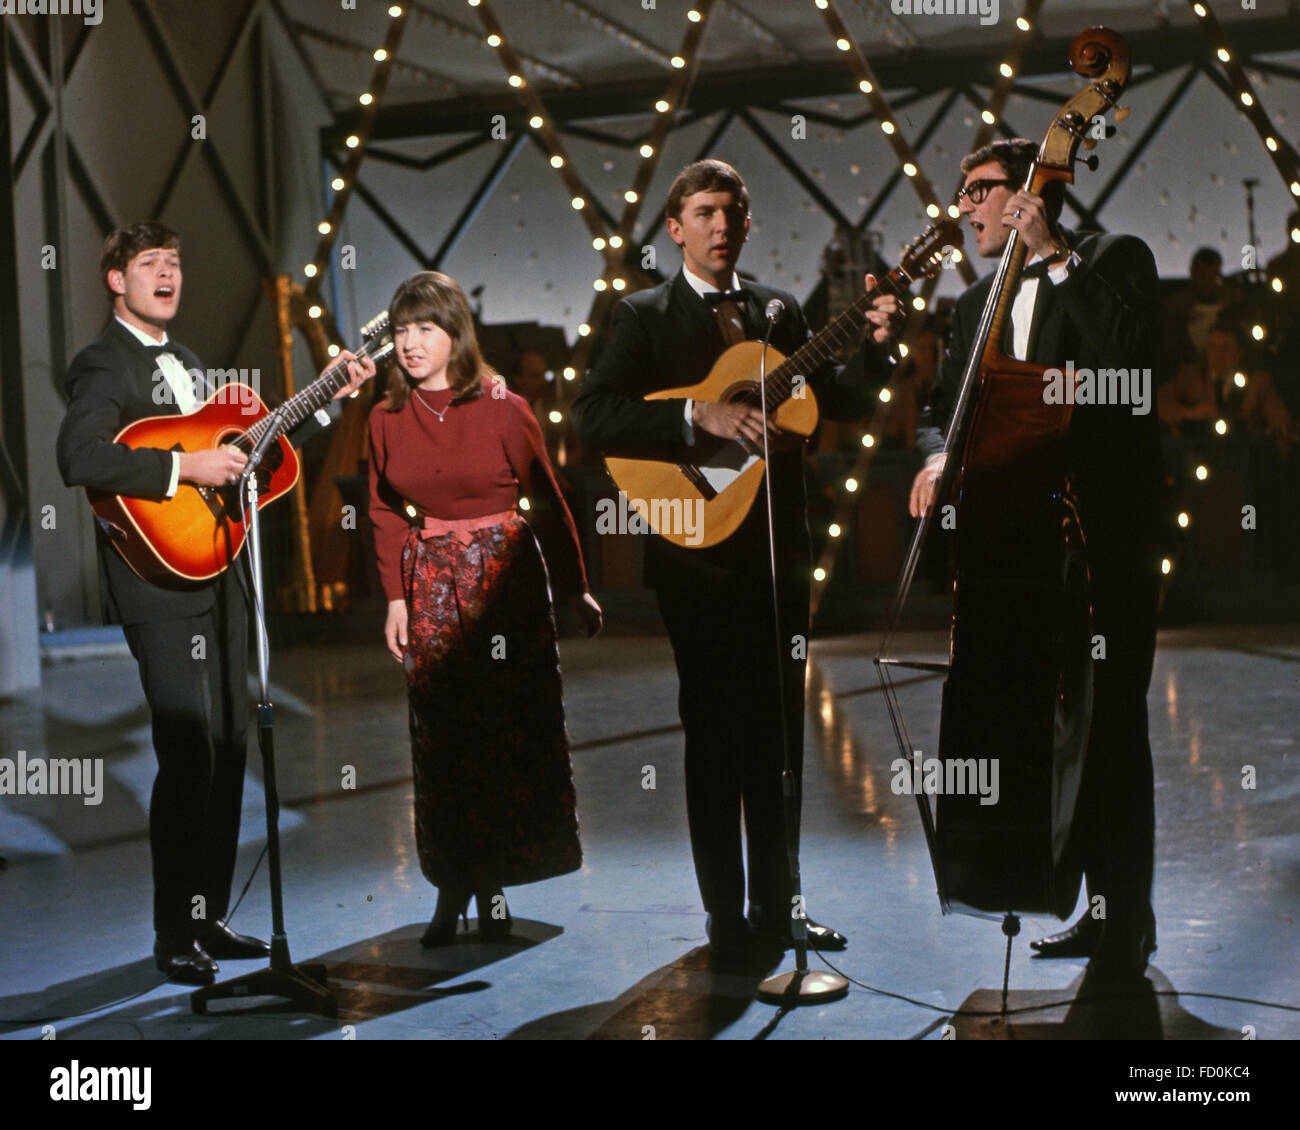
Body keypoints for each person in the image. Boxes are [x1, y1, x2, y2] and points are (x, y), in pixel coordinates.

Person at [573, 159, 902, 964]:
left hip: (777, 552)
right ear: (676, 228)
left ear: (748, 226)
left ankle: (780, 909)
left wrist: (880, 350)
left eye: (735, 212)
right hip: (694, 552)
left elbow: (837, 402)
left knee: (781, 739)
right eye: (706, 211)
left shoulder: (779, 310)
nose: (722, 225)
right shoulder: (642, 315)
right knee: (716, 736)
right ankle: (727, 922)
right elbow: (593, 413)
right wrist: (699, 413)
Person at [56, 222, 375, 985]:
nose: (167, 274)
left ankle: (208, 919)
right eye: (149, 264)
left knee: (232, 745)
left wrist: (329, 398)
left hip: (221, 569)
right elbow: (80, 456)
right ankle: (174, 934)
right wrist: (182, 466)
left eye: (174, 262)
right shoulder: (101, 363)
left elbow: (246, 454)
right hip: (158, 584)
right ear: (116, 281)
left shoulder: (195, 365)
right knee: (188, 751)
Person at [908, 139, 1164, 979]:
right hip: (1009, 548)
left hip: (1098, 539)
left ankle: (1129, 918)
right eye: (962, 194)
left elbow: (1132, 364)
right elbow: (942, 409)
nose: (967, 209)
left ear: (1031, 193)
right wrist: (939, 455)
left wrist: (1056, 259)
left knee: (1113, 729)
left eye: (980, 191)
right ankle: (1077, 898)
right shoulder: (973, 302)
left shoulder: (1111, 259)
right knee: (1048, 736)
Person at [368, 271, 601, 947]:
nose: (409, 343)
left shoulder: (503, 406)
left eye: (425, 329)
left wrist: (573, 585)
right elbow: (383, 511)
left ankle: (494, 886)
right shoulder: (384, 416)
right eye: (401, 330)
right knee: (443, 743)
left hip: (504, 582)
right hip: (431, 582)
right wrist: (393, 597)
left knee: (505, 737)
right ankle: (452, 889)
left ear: (454, 335)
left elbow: (550, 501)